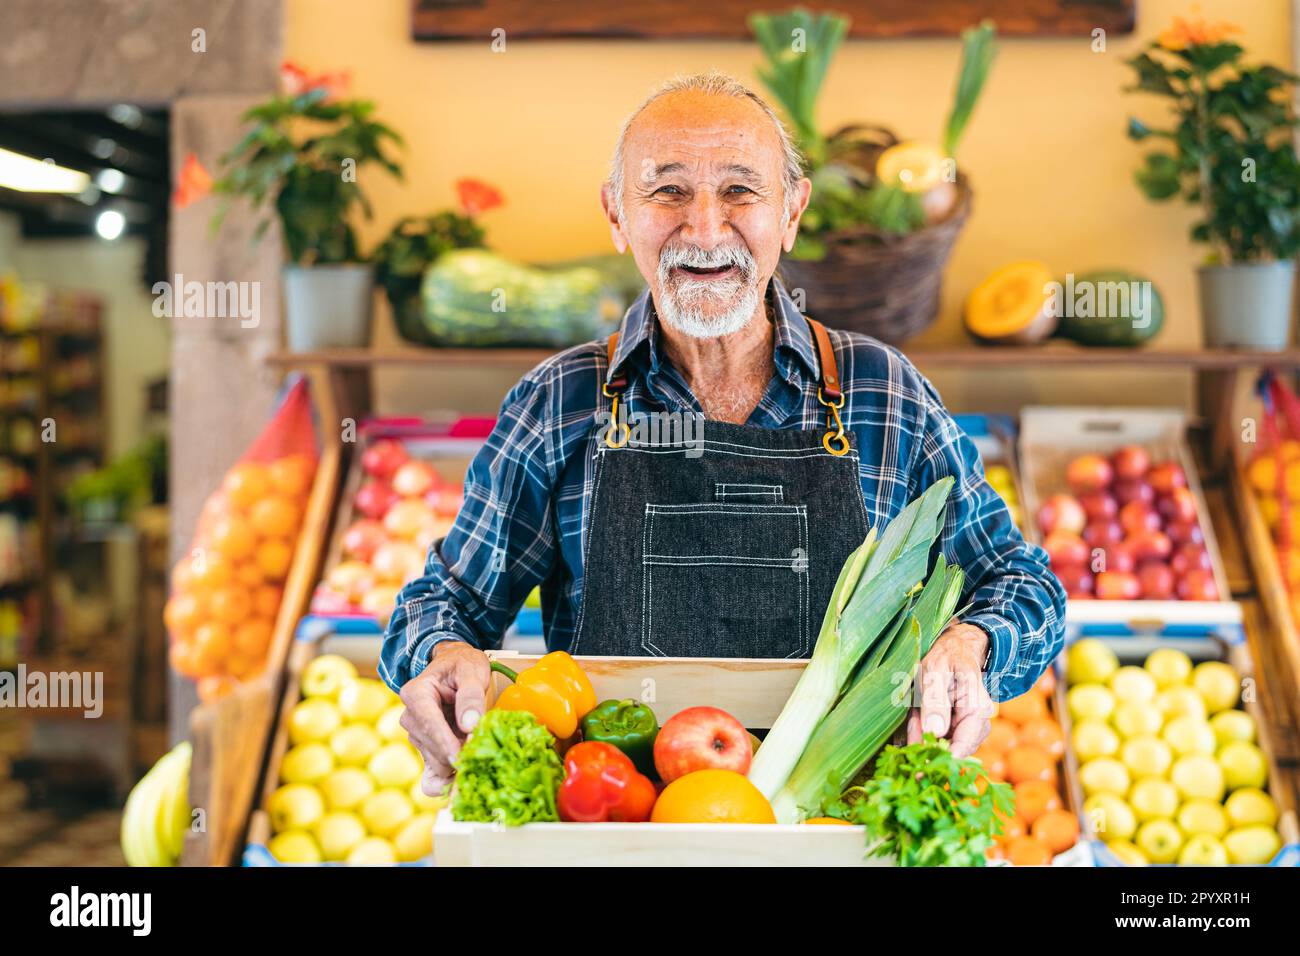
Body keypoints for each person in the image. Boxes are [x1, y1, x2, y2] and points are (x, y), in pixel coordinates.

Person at [381, 71, 1065, 796]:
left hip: (834, 838)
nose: (705, 229)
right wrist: (443, 652)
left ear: (792, 212)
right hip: (620, 829)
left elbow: (1023, 583)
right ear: (617, 215)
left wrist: (970, 644)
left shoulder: (881, 393)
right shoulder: (560, 403)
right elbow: (443, 601)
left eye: (741, 191)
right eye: (667, 191)